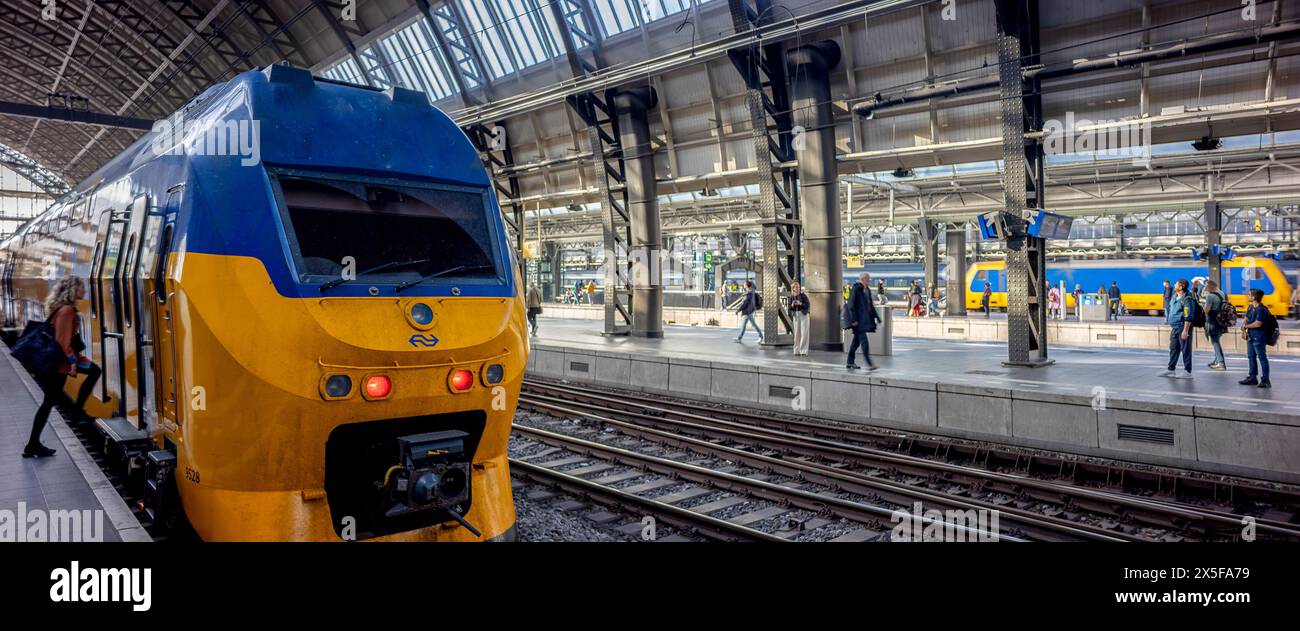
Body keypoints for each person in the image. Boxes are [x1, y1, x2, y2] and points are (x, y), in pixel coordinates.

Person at [24, 276, 102, 458]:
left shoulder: (61, 307)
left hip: (59, 360)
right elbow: (62, 341)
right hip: (58, 363)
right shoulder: (67, 310)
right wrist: (73, 363)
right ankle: (75, 413)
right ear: (73, 289)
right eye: (81, 287)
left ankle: (34, 443)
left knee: (49, 402)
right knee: (48, 403)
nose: (84, 291)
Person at [1240, 288, 1275, 388]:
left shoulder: (1261, 309)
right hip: (1250, 336)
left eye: (1249, 295)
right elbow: (1246, 318)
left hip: (1259, 337)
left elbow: (1258, 323)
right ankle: (1252, 378)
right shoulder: (1251, 307)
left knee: (1262, 358)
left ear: (1254, 297)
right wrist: (1244, 330)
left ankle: (1265, 380)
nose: (1247, 296)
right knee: (1251, 356)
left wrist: (1246, 327)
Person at [846, 272, 880, 371]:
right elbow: (851, 305)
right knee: (864, 342)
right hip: (857, 321)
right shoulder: (856, 289)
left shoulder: (867, 290)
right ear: (862, 279)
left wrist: (877, 317)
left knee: (856, 342)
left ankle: (850, 361)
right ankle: (869, 363)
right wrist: (853, 319)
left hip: (863, 321)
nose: (869, 281)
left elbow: (870, 305)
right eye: (868, 279)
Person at [1163, 279, 1194, 378]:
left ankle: (1187, 372)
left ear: (1181, 287)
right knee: (1173, 348)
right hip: (1175, 327)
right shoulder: (1174, 296)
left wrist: (1185, 331)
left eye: (1176, 284)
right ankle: (1171, 369)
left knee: (1185, 349)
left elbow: (1188, 316)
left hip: (1182, 327)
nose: (1174, 285)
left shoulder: (1187, 299)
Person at [1202, 279, 1228, 370]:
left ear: (1210, 286)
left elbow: (1206, 310)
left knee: (1215, 342)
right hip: (1222, 321)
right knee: (1216, 340)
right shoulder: (1223, 294)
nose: (1206, 289)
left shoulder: (1210, 296)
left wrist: (1202, 308)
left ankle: (1220, 363)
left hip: (1213, 322)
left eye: (1207, 287)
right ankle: (1217, 360)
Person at [789, 282, 810, 356]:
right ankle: (796, 350)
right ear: (793, 289)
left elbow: (807, 305)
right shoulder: (792, 297)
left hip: (803, 314)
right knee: (797, 333)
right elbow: (790, 308)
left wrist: (800, 303)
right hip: (796, 315)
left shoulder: (803, 296)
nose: (798, 288)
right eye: (796, 287)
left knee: (804, 333)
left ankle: (803, 351)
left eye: (798, 287)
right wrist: (792, 305)